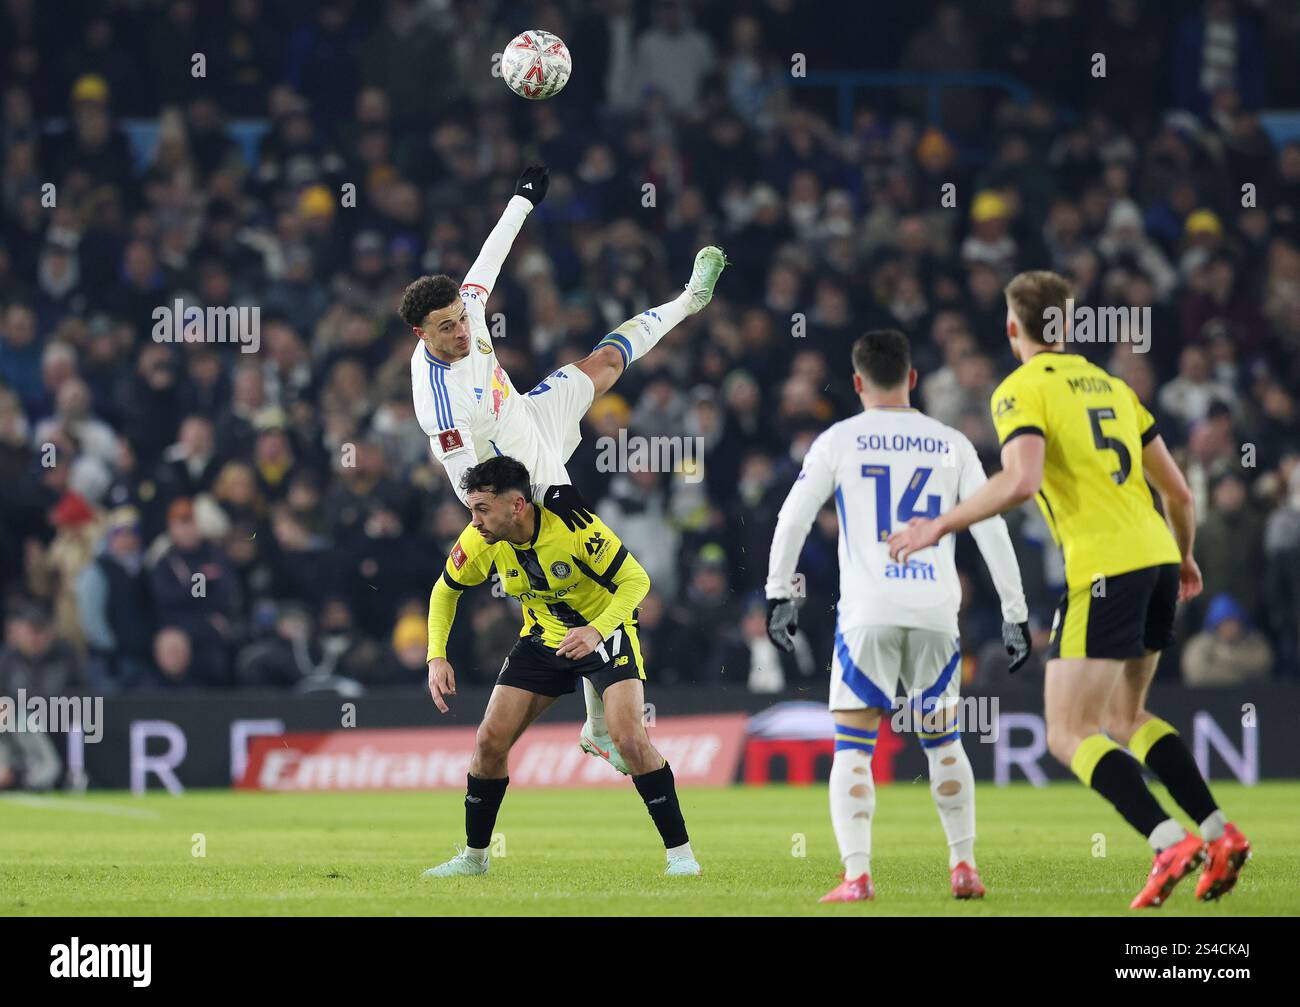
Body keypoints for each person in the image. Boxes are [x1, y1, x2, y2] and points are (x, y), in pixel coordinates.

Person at [886, 270, 1251, 908]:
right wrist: (1184, 556)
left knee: (1066, 732)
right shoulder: (1114, 386)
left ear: (1011, 327)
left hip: (1105, 569)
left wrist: (941, 521)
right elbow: (1180, 491)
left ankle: (1169, 841)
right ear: (1068, 323)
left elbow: (1022, 479)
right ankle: (1220, 833)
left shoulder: (1020, 390)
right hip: (1159, 557)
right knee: (1124, 717)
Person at [401, 164, 726, 776]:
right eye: (445, 328)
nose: (462, 331)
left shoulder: (465, 310)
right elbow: (471, 484)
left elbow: (488, 261)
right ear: (422, 334)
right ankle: (600, 723)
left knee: (604, 361)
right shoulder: (437, 404)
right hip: (517, 474)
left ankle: (688, 300)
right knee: (580, 577)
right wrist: (530, 501)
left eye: (461, 318)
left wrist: (523, 199)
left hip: (528, 412)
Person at [765, 330, 1030, 903]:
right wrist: (1015, 611)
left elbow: (793, 517)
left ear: (858, 382)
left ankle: (858, 876)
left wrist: (779, 591)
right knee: (942, 740)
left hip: (869, 610)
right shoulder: (952, 442)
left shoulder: (838, 440)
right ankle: (964, 867)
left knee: (853, 745)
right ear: (912, 379)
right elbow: (991, 526)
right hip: (936, 608)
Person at [421, 457, 699, 879]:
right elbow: (446, 590)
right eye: (470, 509)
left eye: (481, 509)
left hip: (605, 631)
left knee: (630, 739)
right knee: (489, 741)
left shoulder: (574, 528)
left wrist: (597, 630)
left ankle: (681, 856)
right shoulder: (480, 540)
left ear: (517, 505)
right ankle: (474, 859)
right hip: (543, 639)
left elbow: (636, 581)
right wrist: (436, 655)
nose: (473, 521)